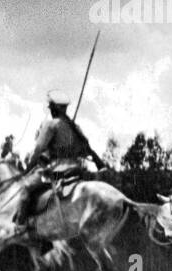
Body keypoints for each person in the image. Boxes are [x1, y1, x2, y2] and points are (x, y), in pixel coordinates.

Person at [14, 91, 107, 233]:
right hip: (77, 170)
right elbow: (86, 150)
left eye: (51, 108)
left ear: (54, 108)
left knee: (25, 189)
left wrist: (27, 169)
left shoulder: (51, 125)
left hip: (57, 171)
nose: (50, 111)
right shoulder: (75, 128)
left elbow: (38, 150)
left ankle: (20, 227)